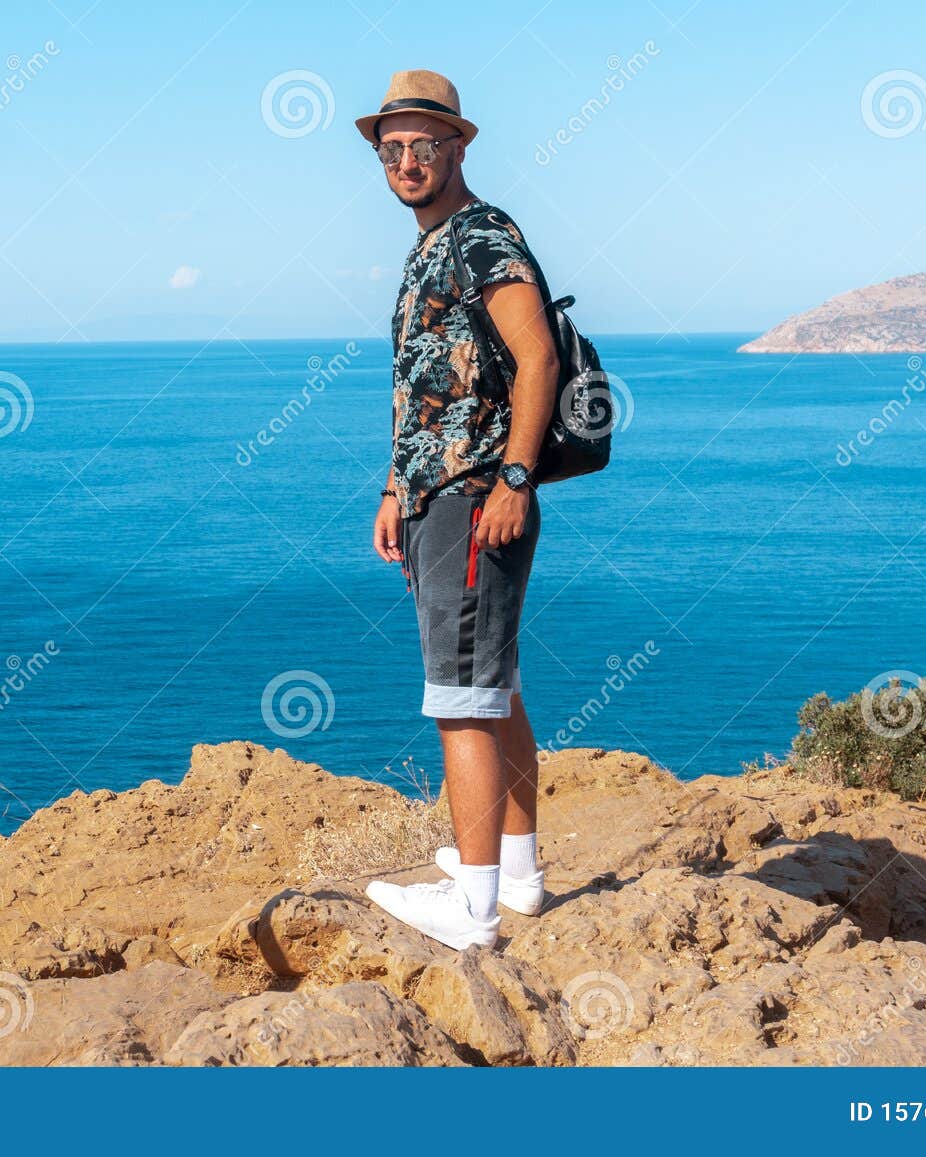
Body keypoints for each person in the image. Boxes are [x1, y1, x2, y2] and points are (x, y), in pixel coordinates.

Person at [359, 70, 560, 949]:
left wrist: (514, 480)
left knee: (461, 701)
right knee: (495, 685)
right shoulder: (429, 245)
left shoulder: (482, 236)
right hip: (436, 499)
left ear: (458, 147)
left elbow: (538, 356)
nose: (406, 160)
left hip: (478, 502)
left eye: (422, 145)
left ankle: (471, 912)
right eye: (390, 147)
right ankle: (516, 874)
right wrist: (395, 487)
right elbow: (426, 383)